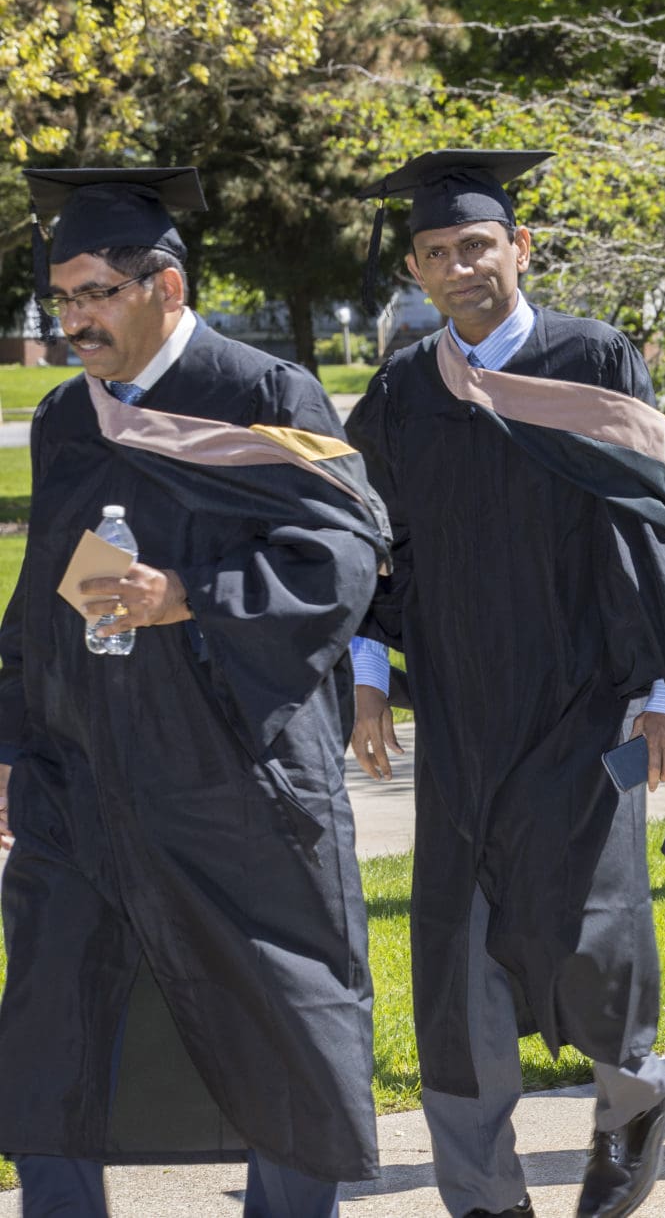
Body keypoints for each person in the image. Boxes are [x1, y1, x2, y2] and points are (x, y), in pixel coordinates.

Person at [347, 150, 665, 1218]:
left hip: (597, 703)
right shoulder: (400, 392)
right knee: (455, 947)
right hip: (465, 714)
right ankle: (482, 1194)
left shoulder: (591, 356)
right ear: (418, 269)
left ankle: (633, 1099)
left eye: (476, 244)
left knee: (591, 922)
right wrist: (368, 670)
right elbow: (373, 549)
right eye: (436, 252)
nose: (458, 266)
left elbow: (651, 529)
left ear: (520, 248)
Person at [0, 167, 388, 1216]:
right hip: (82, 776)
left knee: (281, 1023)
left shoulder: (263, 396)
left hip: (232, 776)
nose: (73, 319)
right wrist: (11, 742)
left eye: (95, 294)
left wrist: (193, 595)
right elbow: (46, 594)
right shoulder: (69, 421)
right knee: (50, 1033)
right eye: (63, 297)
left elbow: (343, 561)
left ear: (165, 286)